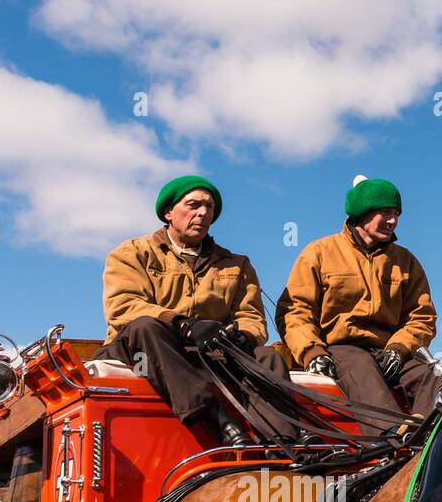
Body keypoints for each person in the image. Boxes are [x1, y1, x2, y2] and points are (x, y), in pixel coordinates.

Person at [95, 174, 297, 446]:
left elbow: (251, 317)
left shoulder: (236, 264)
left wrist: (242, 337)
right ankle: (217, 420)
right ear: (168, 212)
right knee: (146, 326)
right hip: (142, 349)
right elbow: (123, 306)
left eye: (209, 207)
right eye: (193, 205)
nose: (202, 212)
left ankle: (283, 446)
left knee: (266, 356)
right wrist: (181, 324)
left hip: (208, 352)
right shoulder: (132, 252)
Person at [276, 176, 439, 434]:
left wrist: (399, 348)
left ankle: (433, 440)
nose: (393, 220)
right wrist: (311, 352)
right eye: (385, 212)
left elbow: (422, 316)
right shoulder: (319, 252)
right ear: (362, 213)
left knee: (433, 377)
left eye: (396, 213)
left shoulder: (406, 261)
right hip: (342, 348)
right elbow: (296, 309)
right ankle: (393, 442)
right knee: (361, 369)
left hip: (390, 351)